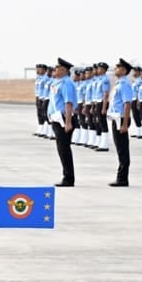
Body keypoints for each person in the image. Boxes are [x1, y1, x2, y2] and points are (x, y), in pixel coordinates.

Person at [49, 57, 77, 186]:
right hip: (57, 119)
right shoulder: (57, 82)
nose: (55, 69)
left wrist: (68, 122)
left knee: (64, 149)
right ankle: (66, 175)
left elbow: (68, 102)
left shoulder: (66, 83)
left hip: (64, 119)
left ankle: (68, 178)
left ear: (65, 70)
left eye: (58, 68)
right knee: (61, 149)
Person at [108, 58, 136, 186]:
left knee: (122, 149)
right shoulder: (119, 83)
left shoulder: (124, 85)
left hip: (121, 119)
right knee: (120, 149)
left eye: (118, 66)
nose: (115, 68)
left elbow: (127, 104)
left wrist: (124, 124)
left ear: (124, 70)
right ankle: (121, 177)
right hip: (116, 118)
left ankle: (122, 178)